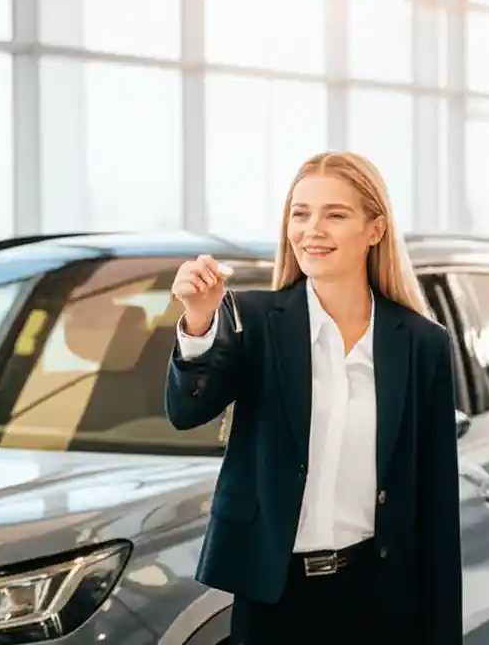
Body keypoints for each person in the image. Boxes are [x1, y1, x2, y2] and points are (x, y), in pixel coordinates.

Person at [164, 152, 463, 644]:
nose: (311, 230)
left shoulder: (420, 343)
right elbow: (186, 410)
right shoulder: (254, 321)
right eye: (300, 214)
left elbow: (436, 514)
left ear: (375, 229)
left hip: (379, 601)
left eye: (335, 215)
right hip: (276, 602)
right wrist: (198, 321)